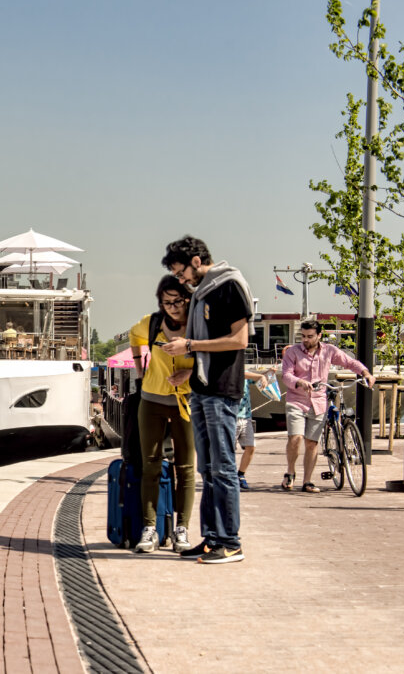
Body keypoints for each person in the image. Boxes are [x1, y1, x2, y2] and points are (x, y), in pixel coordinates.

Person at [162, 235, 254, 564]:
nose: (180, 279)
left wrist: (189, 347)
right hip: (201, 387)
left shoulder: (229, 284)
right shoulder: (202, 292)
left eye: (181, 272)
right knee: (209, 469)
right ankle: (212, 538)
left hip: (220, 390)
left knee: (224, 468)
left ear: (197, 261)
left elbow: (239, 339)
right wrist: (190, 366)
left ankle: (230, 542)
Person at [128, 275, 196, 553]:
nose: (173, 307)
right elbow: (134, 334)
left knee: (186, 468)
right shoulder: (152, 323)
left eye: (178, 301)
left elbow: (213, 357)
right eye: (167, 302)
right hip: (152, 400)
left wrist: (189, 372)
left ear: (188, 299)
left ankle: (182, 529)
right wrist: (140, 370)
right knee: (151, 465)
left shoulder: (198, 326)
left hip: (186, 401)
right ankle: (150, 529)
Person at [279, 319, 375, 493]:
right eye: (303, 336)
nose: (306, 340)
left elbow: (350, 362)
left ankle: (307, 481)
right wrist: (299, 381)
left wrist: (365, 373)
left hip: (318, 402)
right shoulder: (293, 352)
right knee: (296, 438)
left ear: (319, 336)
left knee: (311, 443)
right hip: (296, 400)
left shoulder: (329, 351)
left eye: (310, 336)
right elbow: (286, 375)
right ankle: (290, 472)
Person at [236, 370, 270, 490]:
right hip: (230, 416)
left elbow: (254, 377)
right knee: (227, 450)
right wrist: (260, 375)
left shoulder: (246, 377)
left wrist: (267, 373)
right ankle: (226, 476)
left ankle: (240, 474)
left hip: (246, 417)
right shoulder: (232, 371)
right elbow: (242, 372)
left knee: (251, 447)